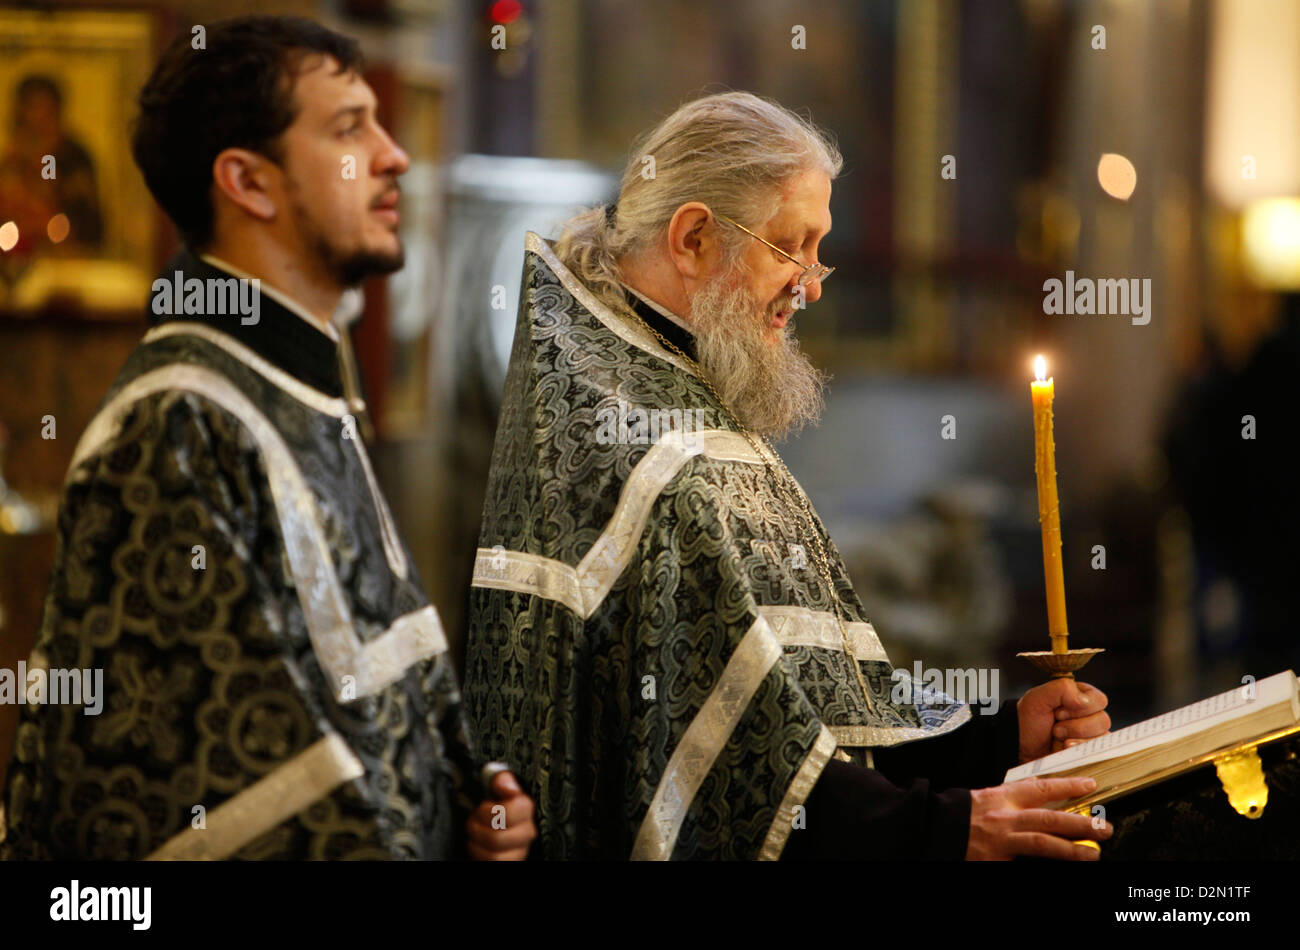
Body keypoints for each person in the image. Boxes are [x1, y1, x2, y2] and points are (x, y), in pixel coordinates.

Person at [465, 91, 1110, 860]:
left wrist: (998, 739)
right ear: (694, 237)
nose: (812, 283)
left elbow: (806, 717)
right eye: (790, 246)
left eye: (818, 249)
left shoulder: (676, 389)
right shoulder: (646, 444)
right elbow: (740, 780)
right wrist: (948, 830)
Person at [0, 16, 535, 861]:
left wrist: (466, 801)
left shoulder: (304, 390)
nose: (395, 155)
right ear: (249, 182)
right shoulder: (176, 421)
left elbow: (373, 685)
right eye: (349, 128)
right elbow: (227, 801)